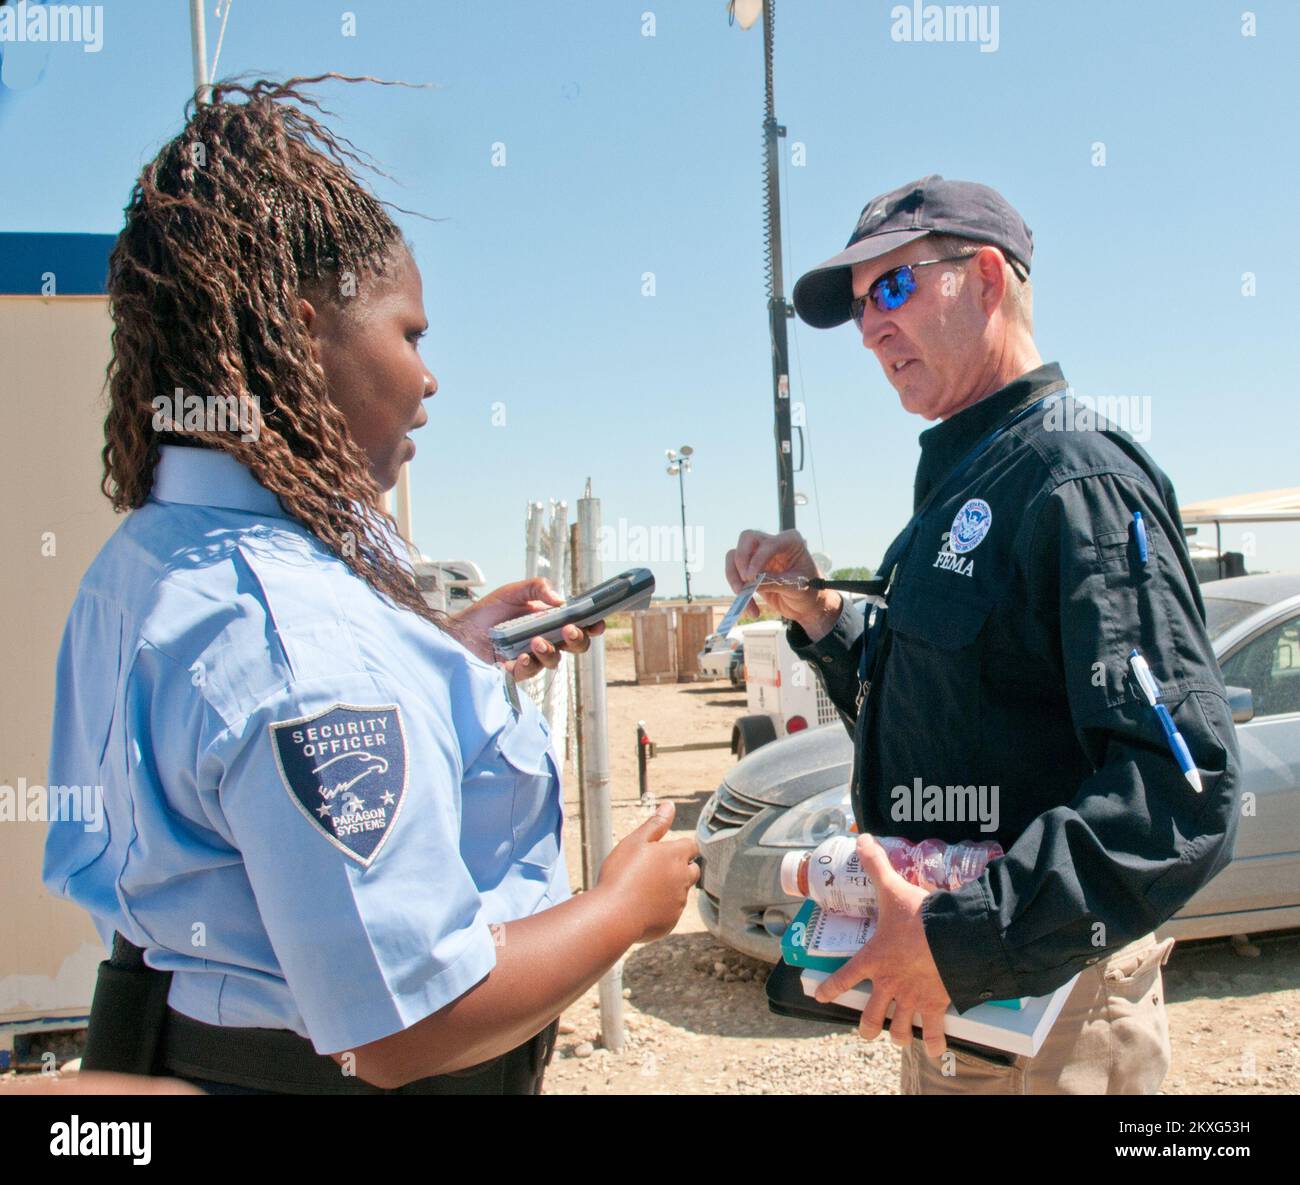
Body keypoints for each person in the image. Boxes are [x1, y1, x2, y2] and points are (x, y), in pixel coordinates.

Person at [42, 76, 699, 1095]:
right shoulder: (301, 637)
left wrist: (441, 661)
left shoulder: (150, 558)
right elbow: (406, 1024)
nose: (430, 379)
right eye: (411, 335)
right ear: (302, 337)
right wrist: (625, 908)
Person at [727, 175, 1240, 1095]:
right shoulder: (964, 485)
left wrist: (962, 939)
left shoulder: (1074, 478)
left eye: (895, 287)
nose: (873, 328)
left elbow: (1181, 789)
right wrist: (819, 614)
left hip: (1051, 1016)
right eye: (857, 308)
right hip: (955, 1003)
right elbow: (947, 712)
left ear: (990, 280)